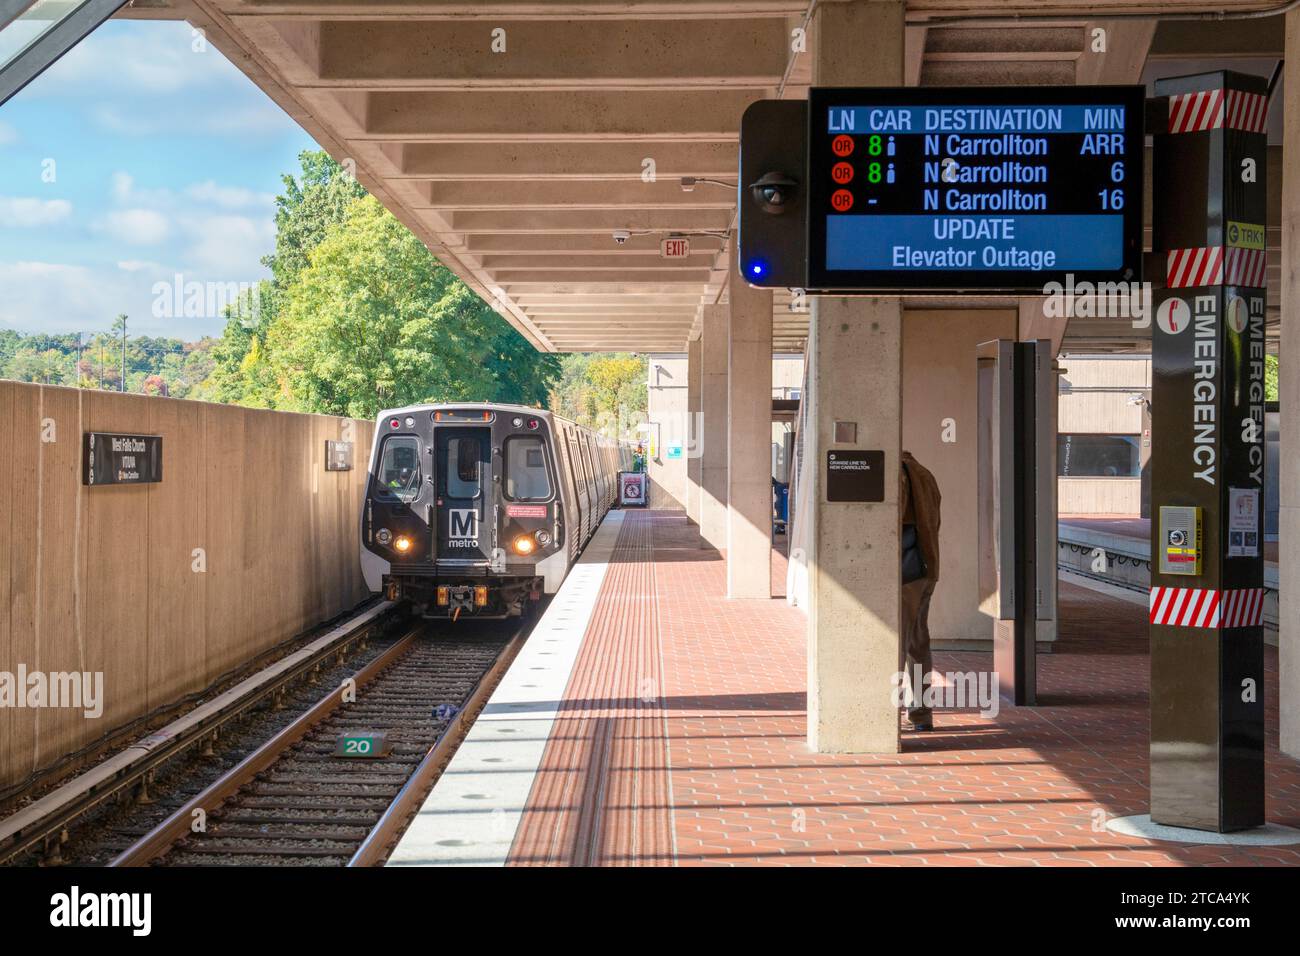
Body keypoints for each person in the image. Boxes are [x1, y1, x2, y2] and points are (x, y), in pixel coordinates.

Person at [899, 450, 941, 731]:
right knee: (918, 643)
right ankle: (921, 713)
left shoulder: (898, 476)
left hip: (904, 570)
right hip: (926, 567)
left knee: (895, 643)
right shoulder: (926, 474)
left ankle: (883, 716)